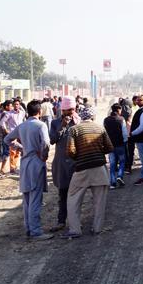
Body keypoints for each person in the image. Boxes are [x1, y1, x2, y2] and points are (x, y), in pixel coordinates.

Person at [3, 100, 53, 240]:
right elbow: (46, 143)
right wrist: (43, 155)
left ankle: (29, 228)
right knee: (36, 198)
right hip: (36, 163)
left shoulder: (22, 126)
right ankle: (36, 231)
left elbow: (7, 139)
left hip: (24, 164)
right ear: (39, 112)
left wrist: (21, 148)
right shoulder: (40, 125)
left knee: (27, 199)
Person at [61, 107, 113, 239]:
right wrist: (97, 153)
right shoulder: (100, 128)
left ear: (81, 116)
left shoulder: (74, 129)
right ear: (93, 117)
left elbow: (70, 151)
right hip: (99, 168)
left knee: (73, 199)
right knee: (100, 201)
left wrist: (79, 158)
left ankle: (75, 229)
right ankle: (97, 228)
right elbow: (109, 147)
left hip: (82, 169)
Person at [49, 96, 78, 231]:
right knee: (62, 194)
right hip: (61, 164)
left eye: (71, 110)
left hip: (75, 163)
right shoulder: (55, 123)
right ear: (62, 110)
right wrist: (62, 126)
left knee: (76, 195)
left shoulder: (78, 122)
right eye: (67, 110)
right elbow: (53, 140)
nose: (69, 113)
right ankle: (61, 221)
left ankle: (75, 222)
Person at [103, 103, 128, 189]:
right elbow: (124, 132)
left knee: (112, 164)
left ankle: (112, 183)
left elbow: (104, 133)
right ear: (118, 110)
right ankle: (120, 176)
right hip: (120, 144)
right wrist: (125, 141)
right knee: (122, 161)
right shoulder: (121, 119)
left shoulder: (106, 120)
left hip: (110, 145)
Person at [6, 99, 27, 174]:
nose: (16, 105)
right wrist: (6, 131)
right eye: (15, 104)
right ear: (13, 105)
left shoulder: (22, 113)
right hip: (13, 134)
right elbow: (2, 122)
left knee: (18, 151)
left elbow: (24, 118)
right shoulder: (9, 113)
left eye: (17, 104)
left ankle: (14, 166)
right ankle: (12, 168)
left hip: (20, 134)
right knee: (12, 151)